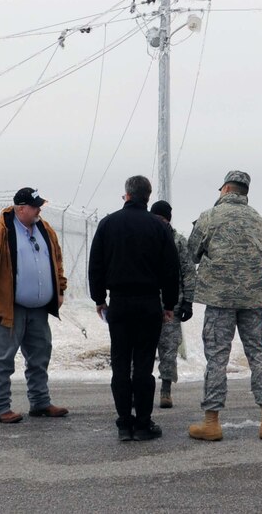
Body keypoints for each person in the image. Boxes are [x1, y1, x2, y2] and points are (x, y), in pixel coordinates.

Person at [187, 170, 262, 441]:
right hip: (253, 300)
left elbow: (192, 254)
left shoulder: (209, 216)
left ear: (226, 189)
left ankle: (212, 422)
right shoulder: (257, 218)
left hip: (220, 300)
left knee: (217, 359)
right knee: (259, 356)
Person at [88, 176, 180, 441]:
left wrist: (99, 299)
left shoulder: (108, 224)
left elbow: (96, 265)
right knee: (143, 365)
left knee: (119, 364)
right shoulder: (158, 226)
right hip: (149, 303)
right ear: (148, 197)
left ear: (126, 195)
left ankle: (123, 424)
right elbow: (170, 269)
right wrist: (170, 304)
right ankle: (142, 424)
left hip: (119, 303)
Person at [0, 187, 68, 423]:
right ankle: (1, 408)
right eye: (35, 206)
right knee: (2, 360)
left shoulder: (45, 229)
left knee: (40, 357)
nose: (39, 210)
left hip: (39, 309)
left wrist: (60, 289)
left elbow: (57, 260)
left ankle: (41, 403)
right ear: (21, 209)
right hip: (8, 309)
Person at [149, 200, 196, 409]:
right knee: (142, 350)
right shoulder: (145, 236)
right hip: (146, 303)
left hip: (172, 306)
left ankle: (166, 390)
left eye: (163, 218)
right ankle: (137, 389)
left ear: (168, 219)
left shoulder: (178, 241)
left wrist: (188, 301)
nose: (160, 221)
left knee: (168, 350)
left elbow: (188, 271)